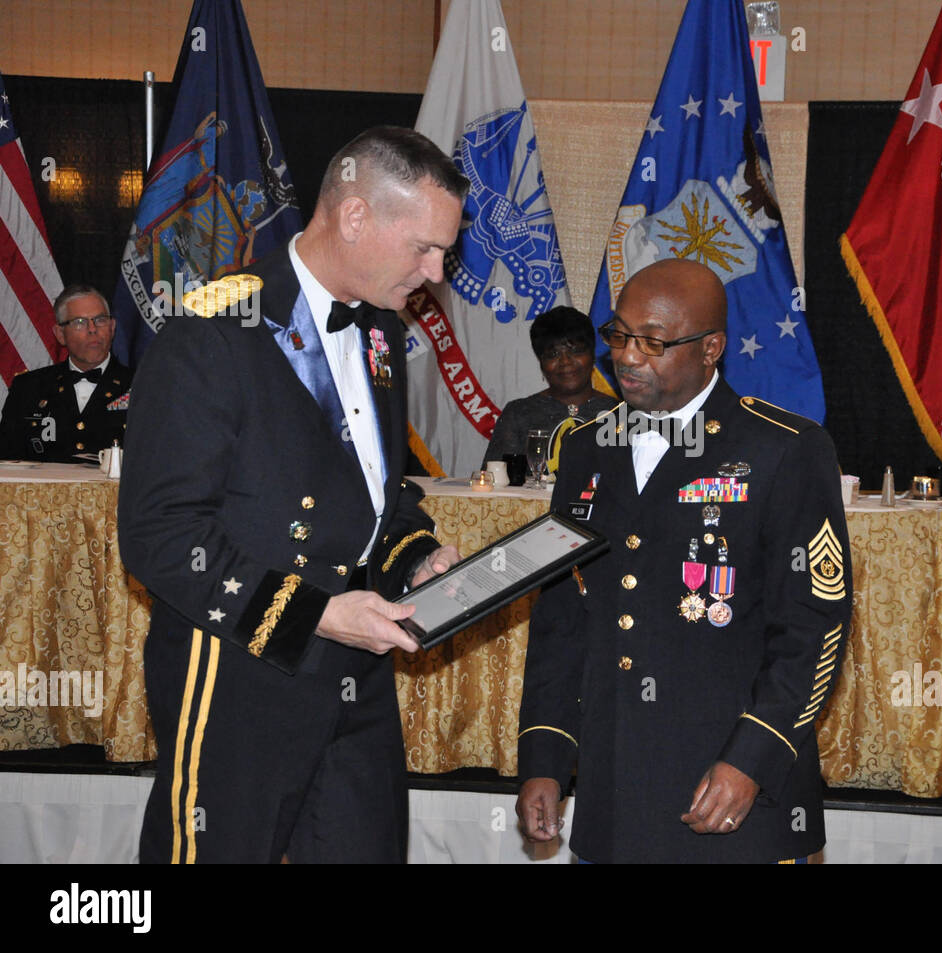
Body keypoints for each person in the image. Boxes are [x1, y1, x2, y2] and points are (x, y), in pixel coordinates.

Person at [118, 126, 468, 863]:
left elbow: (376, 493)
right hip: (240, 674)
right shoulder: (214, 329)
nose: (436, 272)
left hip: (354, 681)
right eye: (424, 248)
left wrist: (418, 558)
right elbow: (160, 532)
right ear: (354, 217)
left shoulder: (380, 332)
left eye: (444, 251)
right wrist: (316, 615)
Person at [515, 258, 852, 863]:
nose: (627, 357)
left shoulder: (783, 450)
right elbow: (563, 617)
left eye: (654, 342)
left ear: (711, 348)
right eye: (619, 335)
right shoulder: (590, 447)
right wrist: (545, 756)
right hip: (614, 795)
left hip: (732, 796)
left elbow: (812, 629)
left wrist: (753, 757)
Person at [0, 285, 132, 461]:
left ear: (112, 327)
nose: (92, 329)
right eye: (80, 322)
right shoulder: (29, 388)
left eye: (100, 320)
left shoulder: (142, 386)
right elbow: (6, 462)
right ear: (60, 334)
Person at [481, 306, 618, 471]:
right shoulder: (518, 413)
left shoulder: (618, 413)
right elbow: (494, 484)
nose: (565, 362)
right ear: (541, 363)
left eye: (576, 351)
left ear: (593, 355)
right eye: (553, 354)